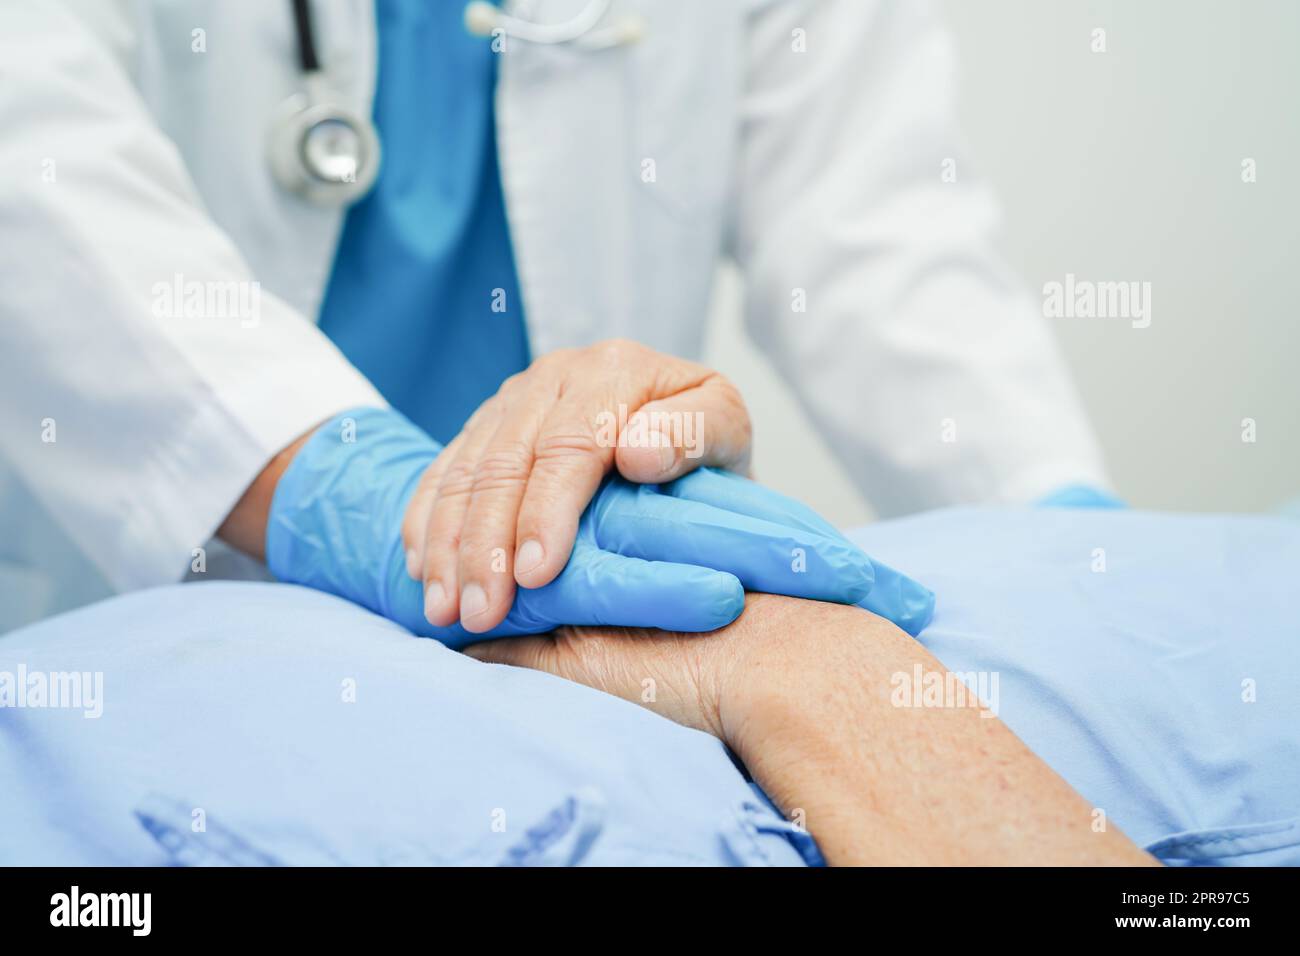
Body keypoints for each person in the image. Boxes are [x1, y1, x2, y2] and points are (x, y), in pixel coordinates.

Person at [0, 0, 1113, 635]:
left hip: (555, 644)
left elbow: (874, 226)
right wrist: (357, 489)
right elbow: (35, 162)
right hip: (133, 606)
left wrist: (1061, 527)